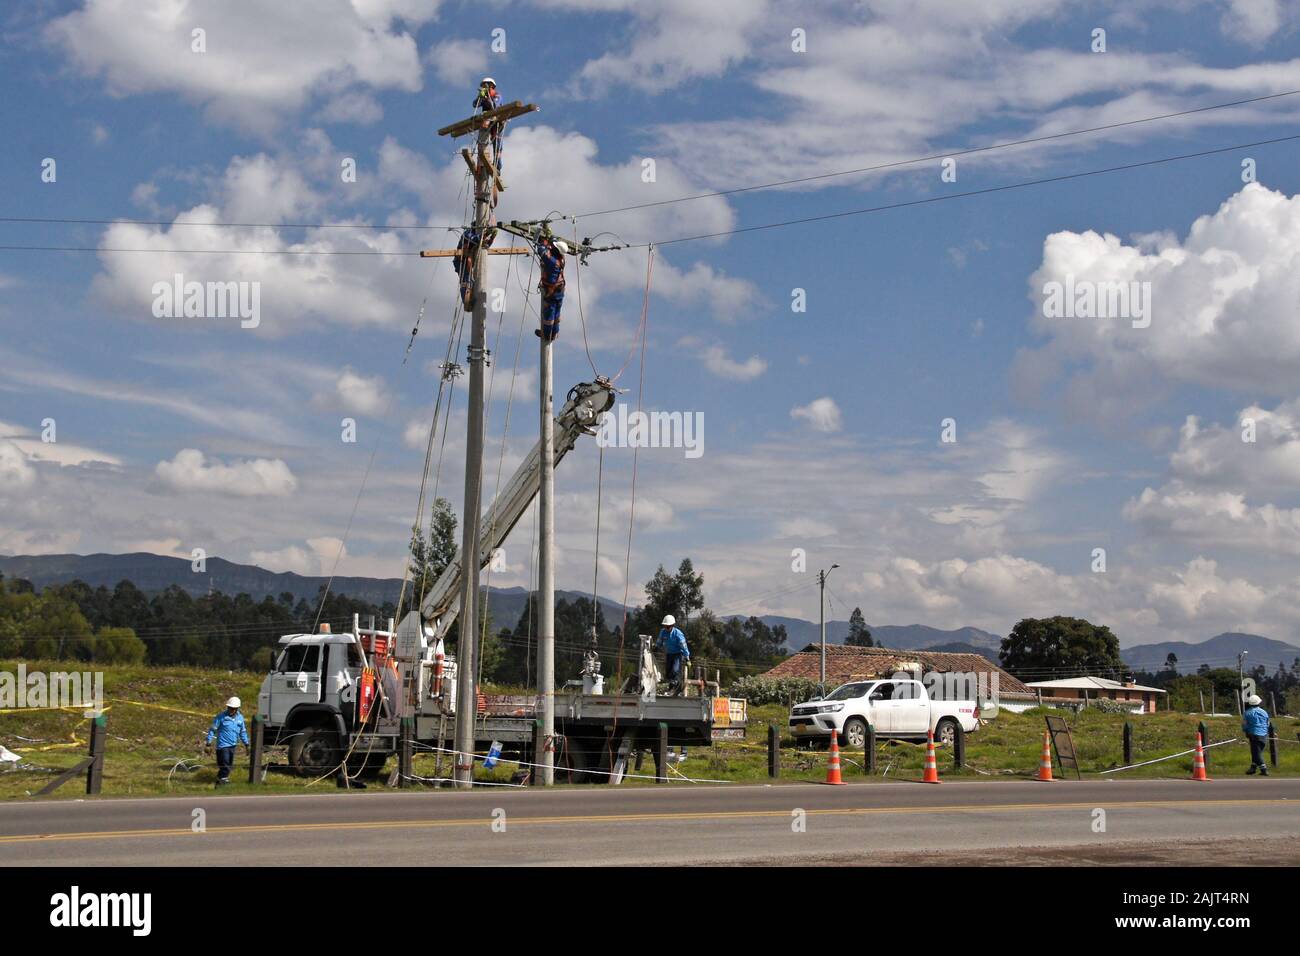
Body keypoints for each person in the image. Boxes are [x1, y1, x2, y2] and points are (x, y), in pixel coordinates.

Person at [205, 696, 250, 786]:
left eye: (233, 708)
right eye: (230, 708)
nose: (231, 710)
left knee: (228, 766)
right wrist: (208, 743)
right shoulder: (220, 717)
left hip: (233, 746)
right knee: (225, 766)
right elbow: (213, 730)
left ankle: (219, 783)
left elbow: (243, 732)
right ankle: (224, 781)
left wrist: (247, 744)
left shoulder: (240, 718)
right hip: (222, 746)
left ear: (237, 709)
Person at [453, 226, 496, 310]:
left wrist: (492, 238)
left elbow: (485, 245)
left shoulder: (478, 237)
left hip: (468, 260)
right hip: (460, 261)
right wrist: (486, 233)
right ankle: (467, 301)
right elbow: (473, 238)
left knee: (471, 281)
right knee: (466, 280)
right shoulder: (468, 233)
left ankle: (471, 299)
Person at [534, 230, 566, 341]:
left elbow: (541, 250)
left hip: (551, 293)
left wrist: (544, 243)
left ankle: (547, 336)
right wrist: (552, 242)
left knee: (549, 316)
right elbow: (551, 251)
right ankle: (555, 333)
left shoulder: (551, 261)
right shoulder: (561, 259)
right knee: (556, 316)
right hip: (559, 292)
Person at [473, 77, 504, 174]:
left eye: (486, 86)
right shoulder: (484, 96)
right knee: (483, 142)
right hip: (487, 122)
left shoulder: (497, 95)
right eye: (483, 87)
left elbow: (494, 106)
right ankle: (481, 164)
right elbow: (475, 105)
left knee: (497, 145)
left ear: (492, 86)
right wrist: (480, 97)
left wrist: (487, 98)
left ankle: (497, 167)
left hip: (496, 123)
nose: (485, 88)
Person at [656, 614, 690, 695]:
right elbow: (659, 641)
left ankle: (676, 688)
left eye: (668, 627)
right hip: (669, 654)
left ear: (672, 625)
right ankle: (672, 688)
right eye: (665, 626)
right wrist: (656, 647)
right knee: (668, 673)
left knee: (675, 670)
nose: (666, 628)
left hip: (677, 654)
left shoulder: (678, 634)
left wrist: (687, 658)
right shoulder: (663, 632)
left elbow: (684, 646)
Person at [1241, 693, 1270, 776]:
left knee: (1256, 753)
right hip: (1264, 734)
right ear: (1259, 703)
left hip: (1253, 734)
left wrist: (1245, 731)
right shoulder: (1264, 712)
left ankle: (1264, 769)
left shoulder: (1247, 713)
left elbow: (1245, 725)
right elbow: (1267, 723)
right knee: (1257, 752)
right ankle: (1253, 768)